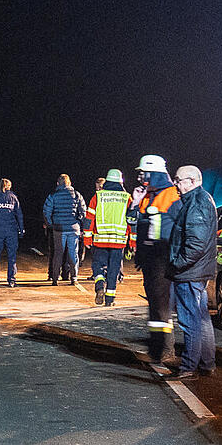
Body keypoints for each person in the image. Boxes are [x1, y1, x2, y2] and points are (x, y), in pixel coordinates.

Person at [166, 164, 218, 377]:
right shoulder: (202, 200)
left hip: (190, 273)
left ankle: (189, 366)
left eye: (179, 180)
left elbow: (195, 244)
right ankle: (207, 364)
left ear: (193, 181)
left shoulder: (196, 204)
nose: (176, 184)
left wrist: (177, 264)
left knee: (190, 321)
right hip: (197, 271)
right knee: (202, 318)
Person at [132, 155, 181, 363]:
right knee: (153, 304)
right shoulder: (146, 196)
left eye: (143, 173)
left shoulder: (171, 195)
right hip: (149, 258)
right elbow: (134, 222)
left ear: (154, 174)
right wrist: (134, 203)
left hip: (163, 257)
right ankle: (156, 347)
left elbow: (180, 226)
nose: (141, 177)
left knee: (162, 305)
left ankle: (167, 349)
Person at [85, 168, 130, 306]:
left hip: (100, 239)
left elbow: (89, 218)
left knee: (98, 265)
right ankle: (110, 299)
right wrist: (133, 242)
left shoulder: (98, 196)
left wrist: (87, 238)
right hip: (119, 241)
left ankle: (99, 285)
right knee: (114, 269)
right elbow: (132, 221)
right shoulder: (127, 198)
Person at [42, 173, 87, 286]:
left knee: (58, 254)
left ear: (58, 183)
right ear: (69, 183)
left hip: (59, 229)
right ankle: (74, 277)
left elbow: (46, 211)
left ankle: (55, 278)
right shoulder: (77, 194)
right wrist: (79, 223)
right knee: (73, 253)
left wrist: (50, 224)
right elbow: (83, 212)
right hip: (73, 228)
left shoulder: (53, 195)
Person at [0, 178, 24, 287]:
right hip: (11, 230)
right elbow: (19, 214)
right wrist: (21, 229)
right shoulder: (13, 198)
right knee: (12, 256)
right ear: (9, 186)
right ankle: (11, 280)